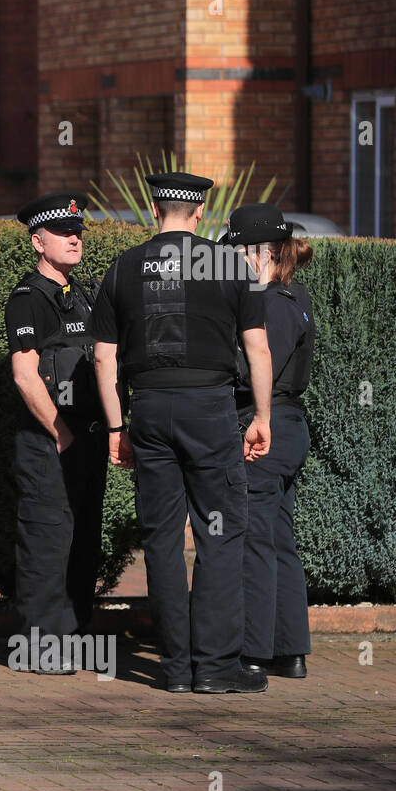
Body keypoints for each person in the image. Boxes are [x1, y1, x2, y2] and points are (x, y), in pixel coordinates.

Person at [90, 172, 274, 694]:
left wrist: (116, 425)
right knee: (218, 535)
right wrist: (262, 415)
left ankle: (174, 669)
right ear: (200, 216)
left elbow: (105, 358)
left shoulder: (124, 266)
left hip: (148, 411)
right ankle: (214, 669)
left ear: (153, 210)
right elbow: (257, 348)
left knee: (162, 539)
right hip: (211, 409)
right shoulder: (228, 265)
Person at [4, 193, 108, 673]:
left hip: (86, 439)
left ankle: (72, 637)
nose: (74, 238)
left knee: (83, 541)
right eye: (63, 232)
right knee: (47, 541)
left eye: (78, 231)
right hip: (50, 443)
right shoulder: (29, 300)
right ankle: (38, 647)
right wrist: (61, 433)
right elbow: (26, 376)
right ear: (37, 242)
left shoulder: (84, 295)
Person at [226, 204, 316, 679]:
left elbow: (259, 368)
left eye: (236, 252)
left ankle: (253, 650)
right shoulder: (291, 295)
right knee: (279, 536)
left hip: (265, 424)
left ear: (259, 253)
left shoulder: (273, 304)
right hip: (286, 426)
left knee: (254, 538)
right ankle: (289, 650)